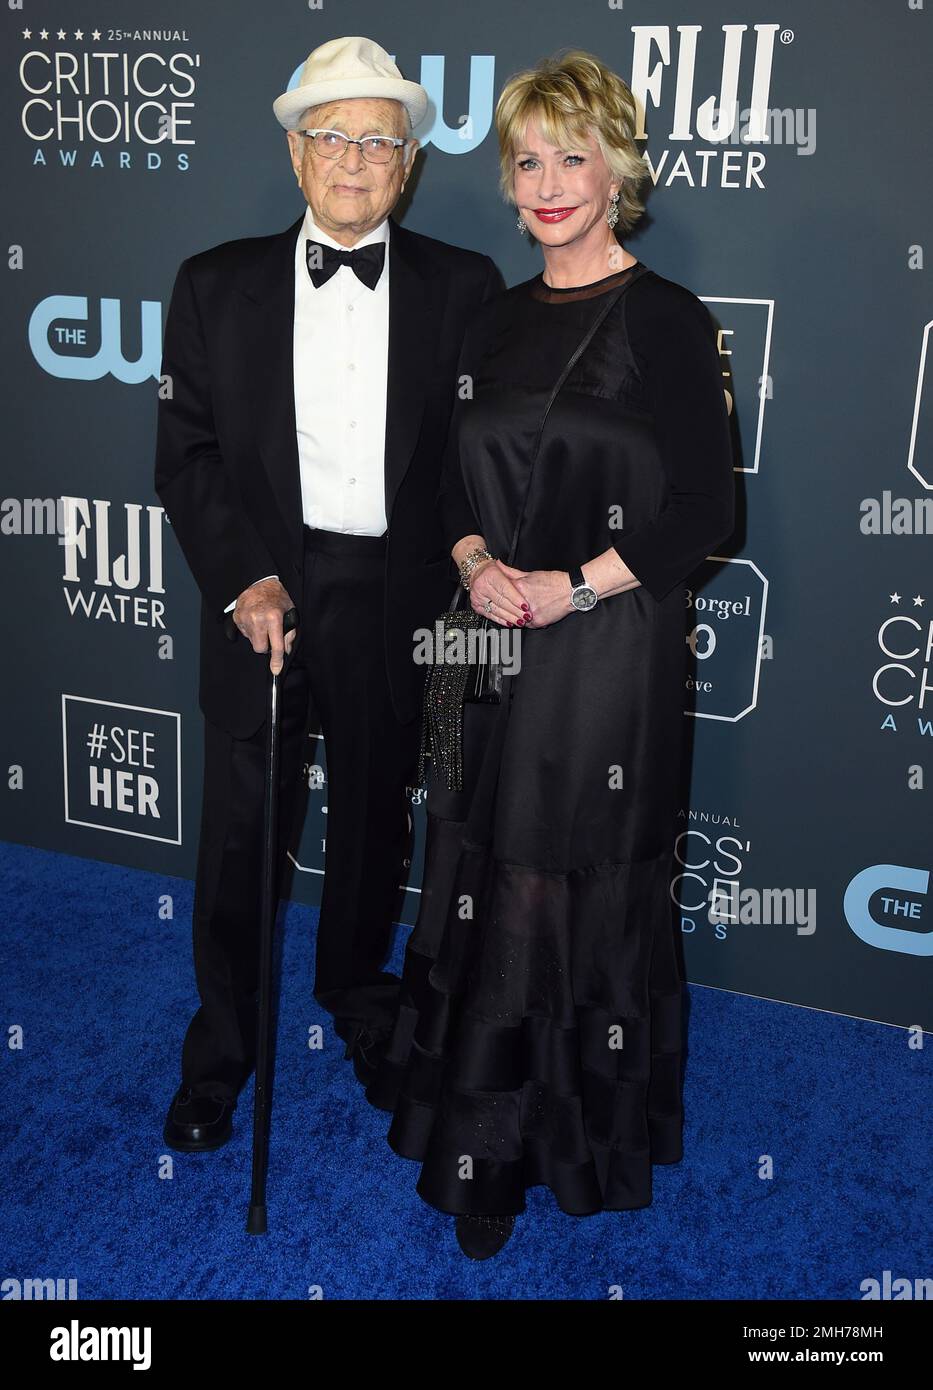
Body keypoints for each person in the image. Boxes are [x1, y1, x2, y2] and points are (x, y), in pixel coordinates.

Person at [364, 49, 735, 1259]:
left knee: (553, 885)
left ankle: (535, 1145)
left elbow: (704, 517)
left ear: (620, 169)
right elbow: (432, 480)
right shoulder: (490, 314)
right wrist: (475, 564)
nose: (550, 182)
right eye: (528, 160)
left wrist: (569, 587)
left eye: (574, 156)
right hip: (482, 641)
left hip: (604, 654)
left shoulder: (669, 319)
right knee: (474, 866)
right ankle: (472, 1127)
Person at [155, 36, 502, 1153]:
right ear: (295, 153)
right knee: (242, 832)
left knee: (369, 823)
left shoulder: (465, 287)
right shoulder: (213, 283)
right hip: (262, 586)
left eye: (378, 139)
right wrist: (243, 574)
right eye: (332, 136)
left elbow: (470, 459)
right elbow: (189, 455)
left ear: (406, 166)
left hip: (397, 595)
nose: (354, 158)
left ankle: (358, 1003)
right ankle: (224, 1043)